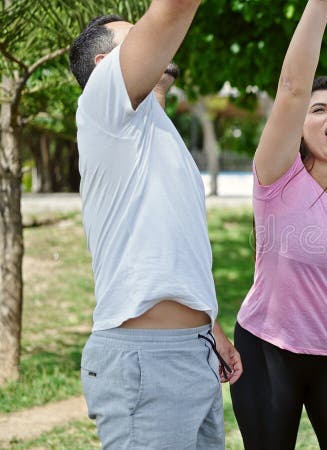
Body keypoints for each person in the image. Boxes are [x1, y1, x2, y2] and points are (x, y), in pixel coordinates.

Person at [69, 2, 242, 448]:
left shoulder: (157, 133)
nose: (153, 40)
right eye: (136, 35)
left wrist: (210, 327)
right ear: (106, 67)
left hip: (195, 351)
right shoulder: (104, 106)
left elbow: (169, 245)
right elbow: (171, 10)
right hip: (147, 361)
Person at [229, 1, 327, 449]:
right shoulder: (276, 176)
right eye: (318, 109)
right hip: (267, 349)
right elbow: (292, 87)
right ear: (297, 126)